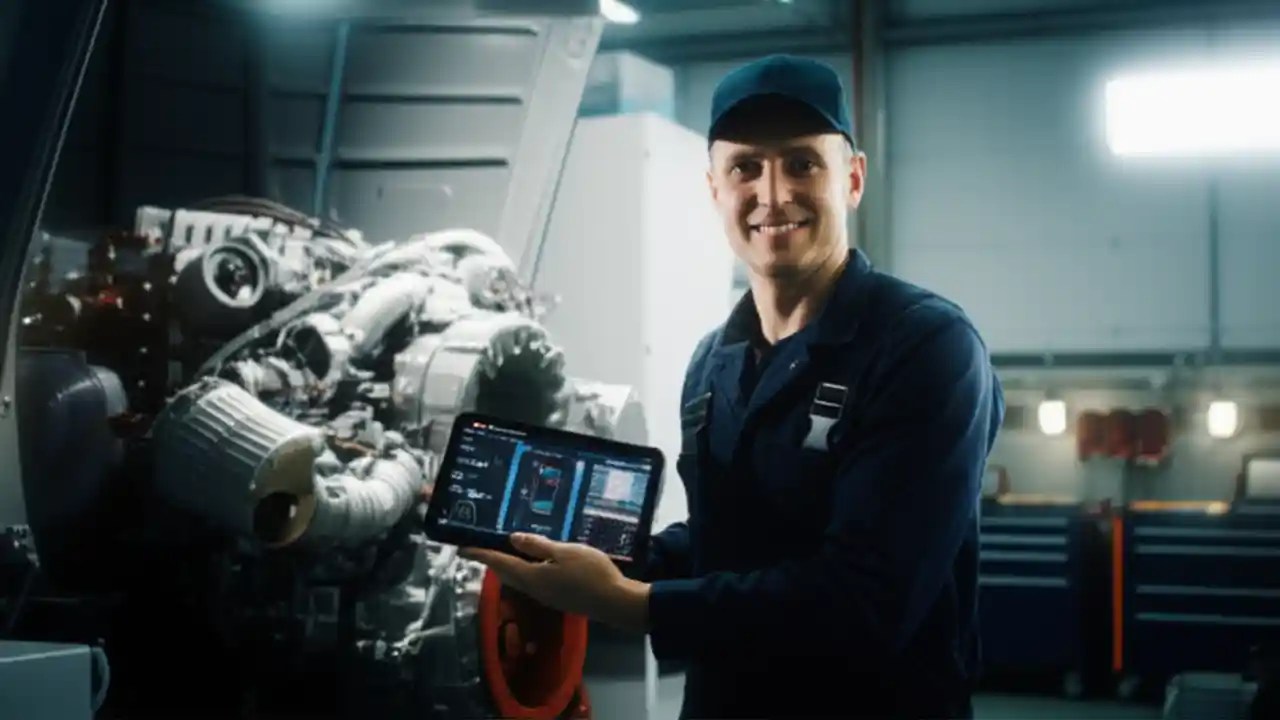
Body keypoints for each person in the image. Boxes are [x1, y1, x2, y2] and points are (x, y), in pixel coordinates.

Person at [461, 54, 1005, 719]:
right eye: (745, 167)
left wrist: (629, 604)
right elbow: (727, 544)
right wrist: (599, 554)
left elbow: (867, 601)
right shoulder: (711, 364)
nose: (772, 195)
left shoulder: (925, 347)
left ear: (853, 179)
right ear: (714, 188)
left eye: (803, 163)